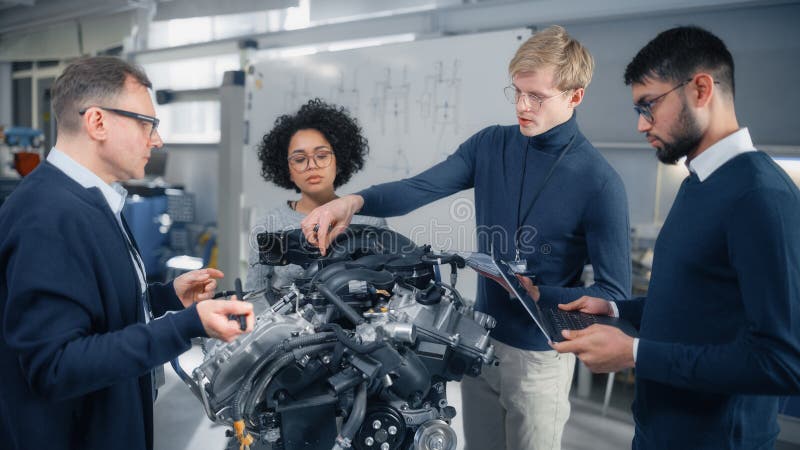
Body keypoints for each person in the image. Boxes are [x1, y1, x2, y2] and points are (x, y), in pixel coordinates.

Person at [300, 26, 631, 450]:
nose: (522, 107)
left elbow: (614, 294)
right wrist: (353, 202)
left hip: (539, 362)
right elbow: (420, 187)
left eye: (537, 96)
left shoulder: (600, 183)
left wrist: (540, 292)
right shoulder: (491, 144)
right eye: (517, 92)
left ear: (575, 96)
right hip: (478, 343)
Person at [550, 26, 800, 449]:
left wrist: (635, 354)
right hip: (658, 432)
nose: (642, 125)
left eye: (649, 105)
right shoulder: (698, 181)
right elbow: (698, 301)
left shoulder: (761, 196)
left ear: (701, 88)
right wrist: (615, 308)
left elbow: (782, 361)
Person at [0, 56, 254, 450]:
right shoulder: (47, 217)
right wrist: (186, 327)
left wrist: (166, 297)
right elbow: (55, 365)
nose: (157, 140)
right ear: (97, 122)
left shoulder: (92, 200)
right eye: (146, 124)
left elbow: (91, 307)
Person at [246, 98, 386, 293]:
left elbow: (386, 289)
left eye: (321, 156)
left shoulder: (370, 220)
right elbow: (255, 296)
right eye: (300, 159)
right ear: (288, 170)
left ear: (339, 161)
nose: (312, 165)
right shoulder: (270, 224)